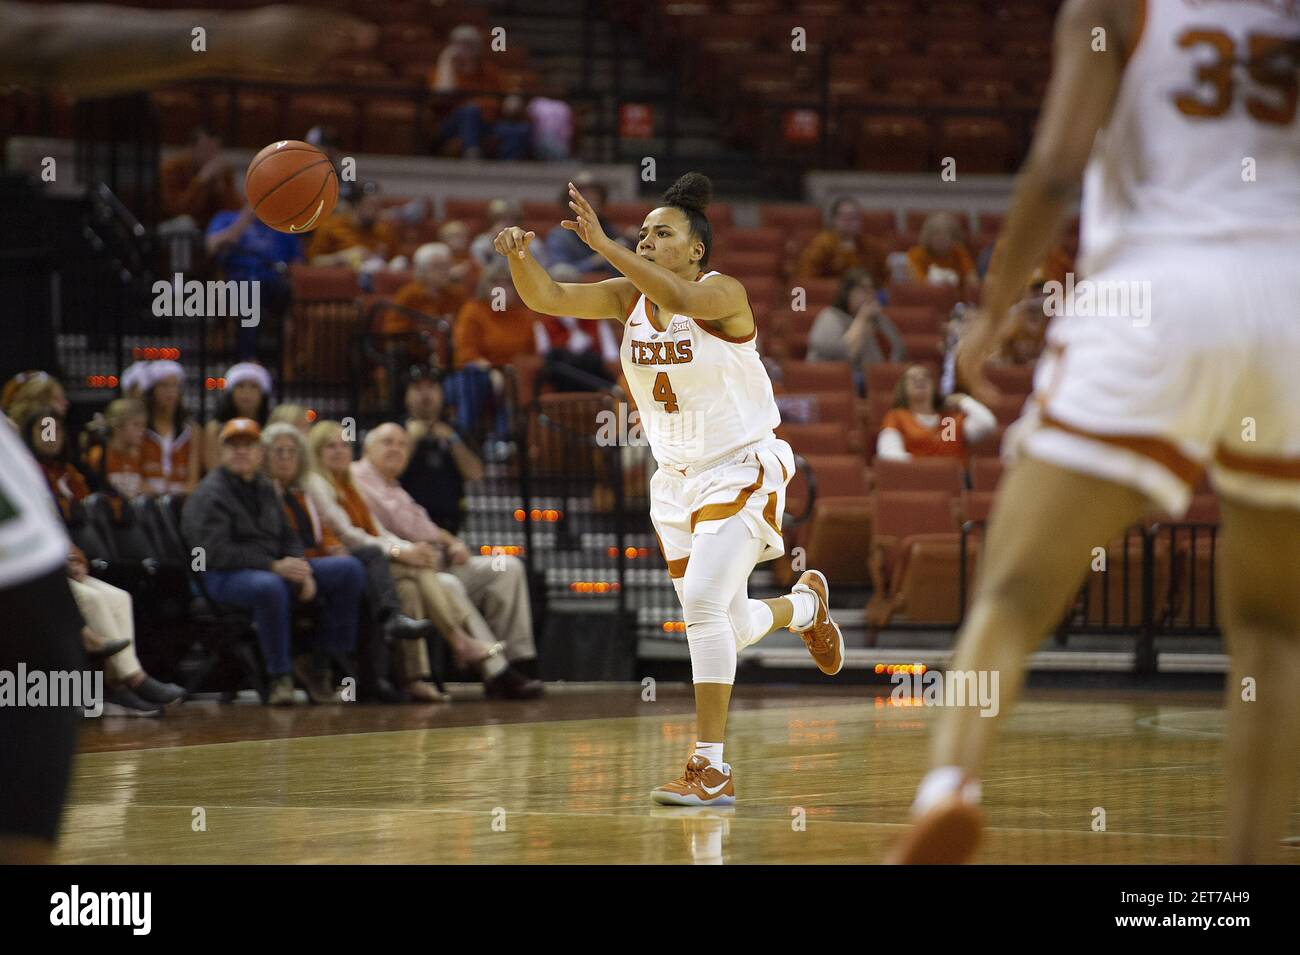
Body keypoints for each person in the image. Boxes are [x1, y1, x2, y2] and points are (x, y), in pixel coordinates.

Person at [889, 0, 1300, 865]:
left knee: (1011, 592)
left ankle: (950, 787)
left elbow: (1053, 170)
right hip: (1291, 299)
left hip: (1156, 295)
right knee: (1272, 627)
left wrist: (993, 311)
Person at [495, 171, 845, 805]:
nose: (648, 240)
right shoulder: (624, 297)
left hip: (741, 464)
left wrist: (605, 243)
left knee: (705, 610)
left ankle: (710, 767)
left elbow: (678, 302)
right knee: (723, 622)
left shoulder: (724, 294)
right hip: (674, 480)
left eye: (663, 233)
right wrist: (521, 259)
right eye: (644, 233)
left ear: (696, 250)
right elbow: (545, 298)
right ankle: (804, 608)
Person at [305, 419, 525, 700]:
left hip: (387, 561)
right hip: (348, 561)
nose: (338, 451)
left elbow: (379, 530)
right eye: (329, 446)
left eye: (343, 445)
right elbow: (349, 534)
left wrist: (411, 549)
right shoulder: (334, 480)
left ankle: (417, 677)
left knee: (499, 567)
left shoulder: (353, 484)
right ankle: (460, 641)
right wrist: (404, 551)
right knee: (426, 574)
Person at [182, 418, 364, 706]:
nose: (241, 452)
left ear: (259, 452)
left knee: (349, 569)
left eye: (249, 445)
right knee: (270, 586)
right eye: (234, 446)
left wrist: (300, 567)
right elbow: (214, 553)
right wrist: (273, 565)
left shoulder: (265, 487)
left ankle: (323, 662)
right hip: (221, 577)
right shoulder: (208, 494)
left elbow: (288, 535)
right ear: (221, 452)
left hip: (275, 568)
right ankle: (280, 676)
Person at [261, 422, 434, 702]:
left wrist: (406, 549)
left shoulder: (326, 485)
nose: (284, 458)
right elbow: (335, 532)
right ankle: (343, 665)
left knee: (381, 575)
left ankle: (372, 666)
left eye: (290, 452)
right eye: (331, 446)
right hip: (290, 565)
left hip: (319, 559)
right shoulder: (304, 484)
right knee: (363, 572)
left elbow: (337, 531)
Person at [205, 207, 302, 359]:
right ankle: (248, 358)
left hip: (273, 283)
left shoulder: (283, 224)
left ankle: (288, 362)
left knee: (288, 293)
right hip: (236, 283)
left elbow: (297, 264)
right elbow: (210, 247)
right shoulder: (226, 218)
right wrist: (242, 222)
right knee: (249, 291)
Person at [402, 366, 484, 537]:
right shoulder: (396, 431)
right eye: (417, 388)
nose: (425, 395)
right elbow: (385, 473)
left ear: (442, 393)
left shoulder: (456, 431)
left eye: (431, 387)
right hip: (405, 523)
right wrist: (410, 440)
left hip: (450, 523)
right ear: (406, 396)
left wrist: (452, 439)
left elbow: (476, 473)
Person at [806, 268, 905, 392]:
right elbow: (844, 353)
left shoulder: (879, 319)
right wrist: (862, 319)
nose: (869, 295)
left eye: (872, 289)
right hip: (832, 381)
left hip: (873, 381)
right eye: (863, 289)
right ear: (847, 293)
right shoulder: (830, 317)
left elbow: (899, 350)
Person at [875, 363, 995, 464]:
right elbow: (889, 454)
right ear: (903, 387)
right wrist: (928, 467)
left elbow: (987, 424)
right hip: (917, 482)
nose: (920, 380)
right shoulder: (897, 417)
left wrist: (963, 400)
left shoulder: (950, 420)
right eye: (913, 378)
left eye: (925, 377)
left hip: (954, 485)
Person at [796, 196, 889, 287]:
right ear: (834, 220)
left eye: (854, 217)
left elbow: (884, 279)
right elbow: (806, 280)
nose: (849, 221)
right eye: (844, 217)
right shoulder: (822, 245)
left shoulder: (872, 247)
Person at [139, 359, 200, 494]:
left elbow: (193, 480)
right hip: (146, 499)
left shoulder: (191, 430)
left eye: (175, 386)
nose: (170, 392)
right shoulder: (140, 429)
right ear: (151, 391)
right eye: (164, 386)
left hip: (181, 498)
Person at [306, 181, 397, 269]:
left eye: (379, 206)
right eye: (371, 205)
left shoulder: (383, 231)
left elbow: (393, 262)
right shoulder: (331, 226)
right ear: (356, 204)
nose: (376, 211)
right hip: (339, 279)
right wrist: (341, 257)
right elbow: (313, 261)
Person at [160, 127, 240, 226]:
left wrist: (221, 189)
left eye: (215, 150)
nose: (211, 155)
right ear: (191, 149)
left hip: (210, 231)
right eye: (206, 149)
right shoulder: (172, 168)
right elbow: (177, 209)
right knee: (185, 223)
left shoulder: (223, 171)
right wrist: (201, 180)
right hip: (175, 228)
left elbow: (234, 212)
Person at [203, 361, 272, 473]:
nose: (246, 392)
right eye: (240, 386)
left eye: (254, 387)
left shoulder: (271, 428)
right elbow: (213, 470)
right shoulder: (215, 429)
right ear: (231, 393)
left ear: (262, 394)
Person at [83, 397, 147, 498]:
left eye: (143, 425)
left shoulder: (139, 456)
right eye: (136, 425)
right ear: (117, 425)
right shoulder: (98, 455)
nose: (142, 430)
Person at [906, 212, 979, 298]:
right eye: (937, 236)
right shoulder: (916, 255)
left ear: (953, 238)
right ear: (928, 237)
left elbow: (972, 280)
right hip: (928, 299)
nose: (941, 240)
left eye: (946, 236)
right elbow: (919, 285)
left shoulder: (959, 252)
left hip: (957, 301)